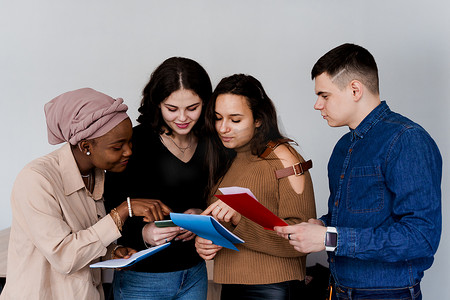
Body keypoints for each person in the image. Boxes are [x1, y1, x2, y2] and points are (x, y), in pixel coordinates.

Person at [275, 43, 442, 299]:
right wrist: (322, 225)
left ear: (355, 89)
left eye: (324, 95)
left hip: (387, 294)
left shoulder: (407, 140)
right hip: (339, 289)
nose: (317, 105)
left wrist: (329, 237)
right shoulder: (343, 146)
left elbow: (421, 237)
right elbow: (356, 218)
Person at [0, 88, 171, 300]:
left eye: (129, 143)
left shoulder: (95, 175)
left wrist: (112, 252)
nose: (129, 152)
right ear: (86, 146)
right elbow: (64, 256)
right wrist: (123, 211)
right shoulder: (36, 179)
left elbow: (86, 236)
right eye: (118, 147)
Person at [195, 74, 316, 300]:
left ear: (258, 119)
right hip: (231, 286)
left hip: (272, 289)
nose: (223, 128)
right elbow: (230, 228)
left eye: (235, 119)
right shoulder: (228, 158)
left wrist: (241, 219)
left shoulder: (284, 157)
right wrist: (205, 241)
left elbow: (301, 239)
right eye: (218, 118)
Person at [103, 57, 213, 300]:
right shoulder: (133, 143)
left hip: (194, 272)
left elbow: (220, 194)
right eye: (171, 109)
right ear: (156, 103)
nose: (182, 118)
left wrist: (202, 215)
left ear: (206, 103)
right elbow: (108, 205)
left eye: (192, 108)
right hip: (141, 278)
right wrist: (143, 234)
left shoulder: (213, 143)